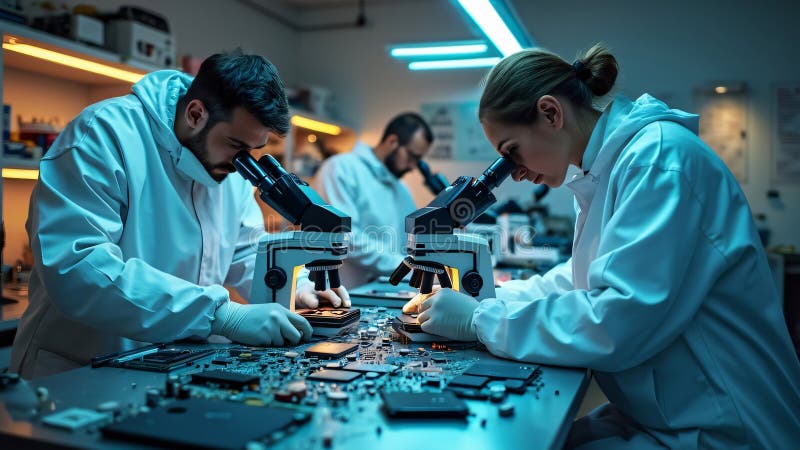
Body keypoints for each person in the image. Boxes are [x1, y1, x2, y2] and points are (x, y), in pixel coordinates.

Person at [404, 44, 800, 448]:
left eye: (511, 152)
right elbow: (584, 278)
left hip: (724, 425)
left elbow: (616, 318)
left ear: (550, 113)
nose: (516, 173)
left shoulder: (657, 161)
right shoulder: (607, 170)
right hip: (671, 408)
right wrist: (495, 296)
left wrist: (480, 320)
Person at [11, 51, 349, 379]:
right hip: (79, 367)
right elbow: (79, 268)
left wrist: (300, 288)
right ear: (196, 114)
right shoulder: (103, 135)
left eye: (252, 150)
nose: (241, 163)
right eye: (235, 146)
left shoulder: (229, 171)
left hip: (170, 364)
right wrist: (220, 314)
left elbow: (245, 252)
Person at [315, 113, 433, 287]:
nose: (413, 166)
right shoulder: (341, 169)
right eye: (412, 156)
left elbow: (410, 240)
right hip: (345, 292)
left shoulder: (401, 189)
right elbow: (344, 237)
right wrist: (403, 267)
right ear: (392, 142)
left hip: (385, 289)